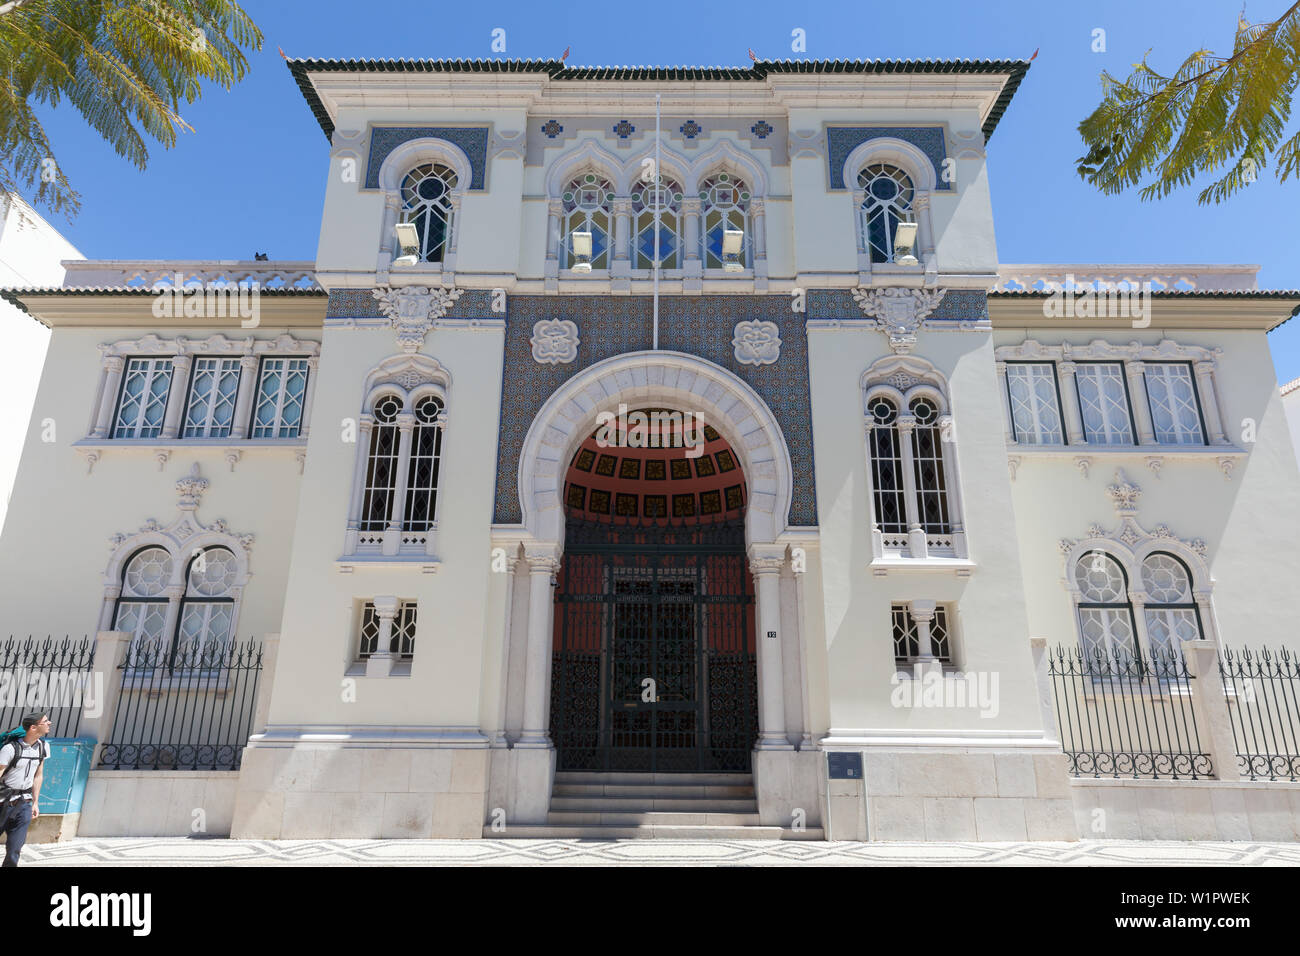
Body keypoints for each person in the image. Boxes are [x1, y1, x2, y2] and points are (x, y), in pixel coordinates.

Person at [0, 712, 50, 866]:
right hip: (3, 802)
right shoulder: (10, 749)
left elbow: (38, 776)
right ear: (33, 727)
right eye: (46, 721)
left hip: (24, 803)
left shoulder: (43, 747)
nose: (50, 723)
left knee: (15, 847)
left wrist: (35, 802)